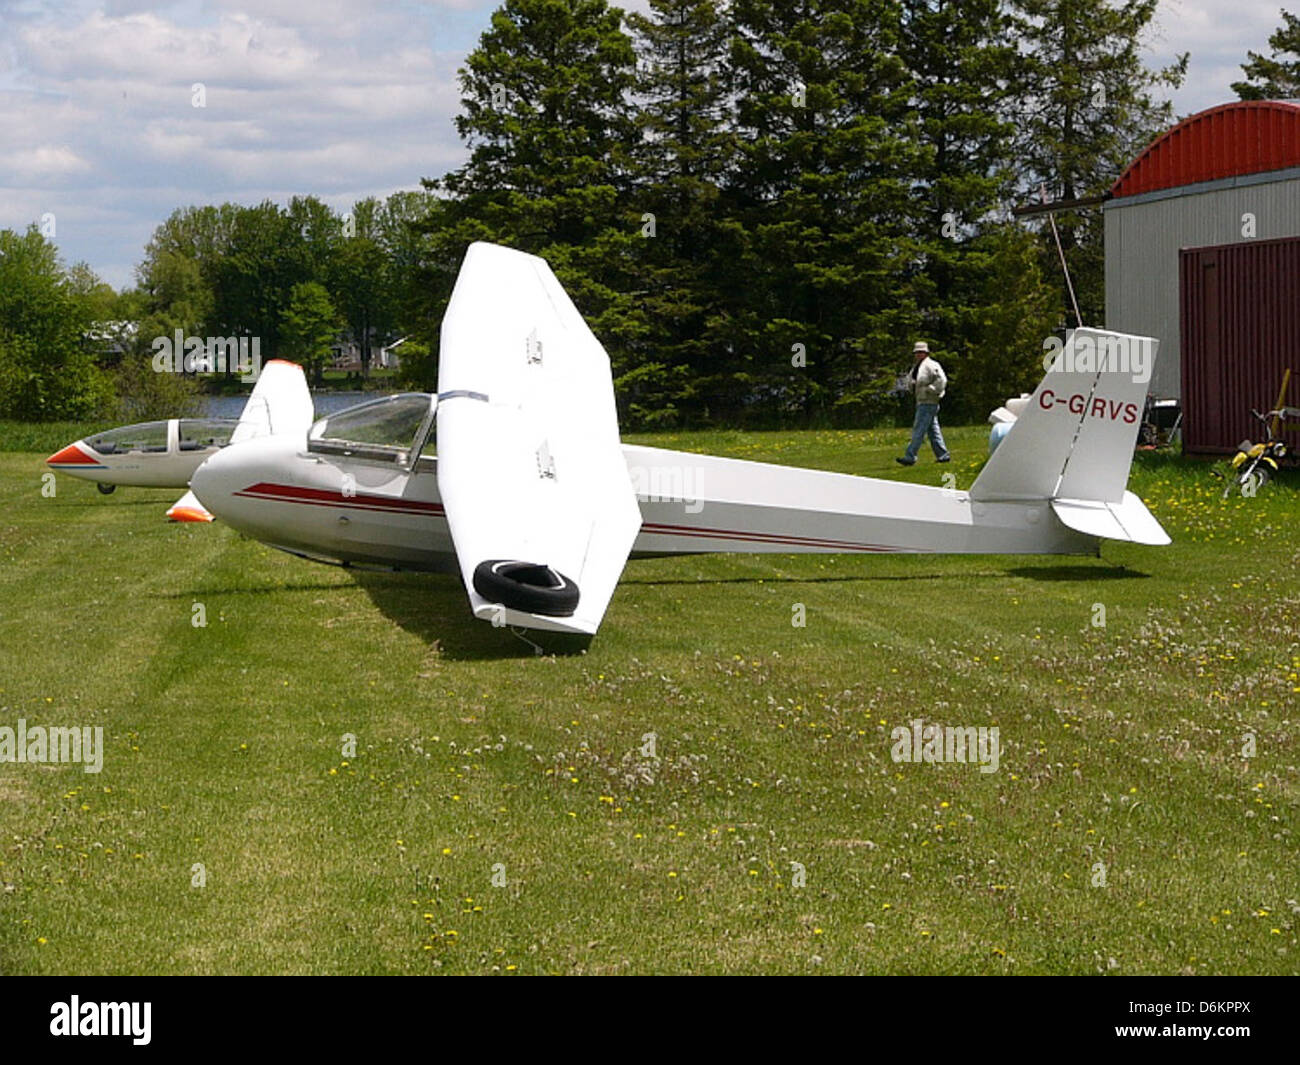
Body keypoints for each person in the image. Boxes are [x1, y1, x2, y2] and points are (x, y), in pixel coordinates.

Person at [896, 340, 950, 465]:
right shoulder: (917, 367)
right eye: (917, 352)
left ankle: (910, 456)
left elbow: (941, 381)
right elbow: (911, 381)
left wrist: (930, 390)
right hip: (922, 401)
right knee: (933, 431)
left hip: (929, 401)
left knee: (918, 429)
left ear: (926, 353)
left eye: (921, 352)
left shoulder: (931, 365)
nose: (918, 355)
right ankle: (943, 455)